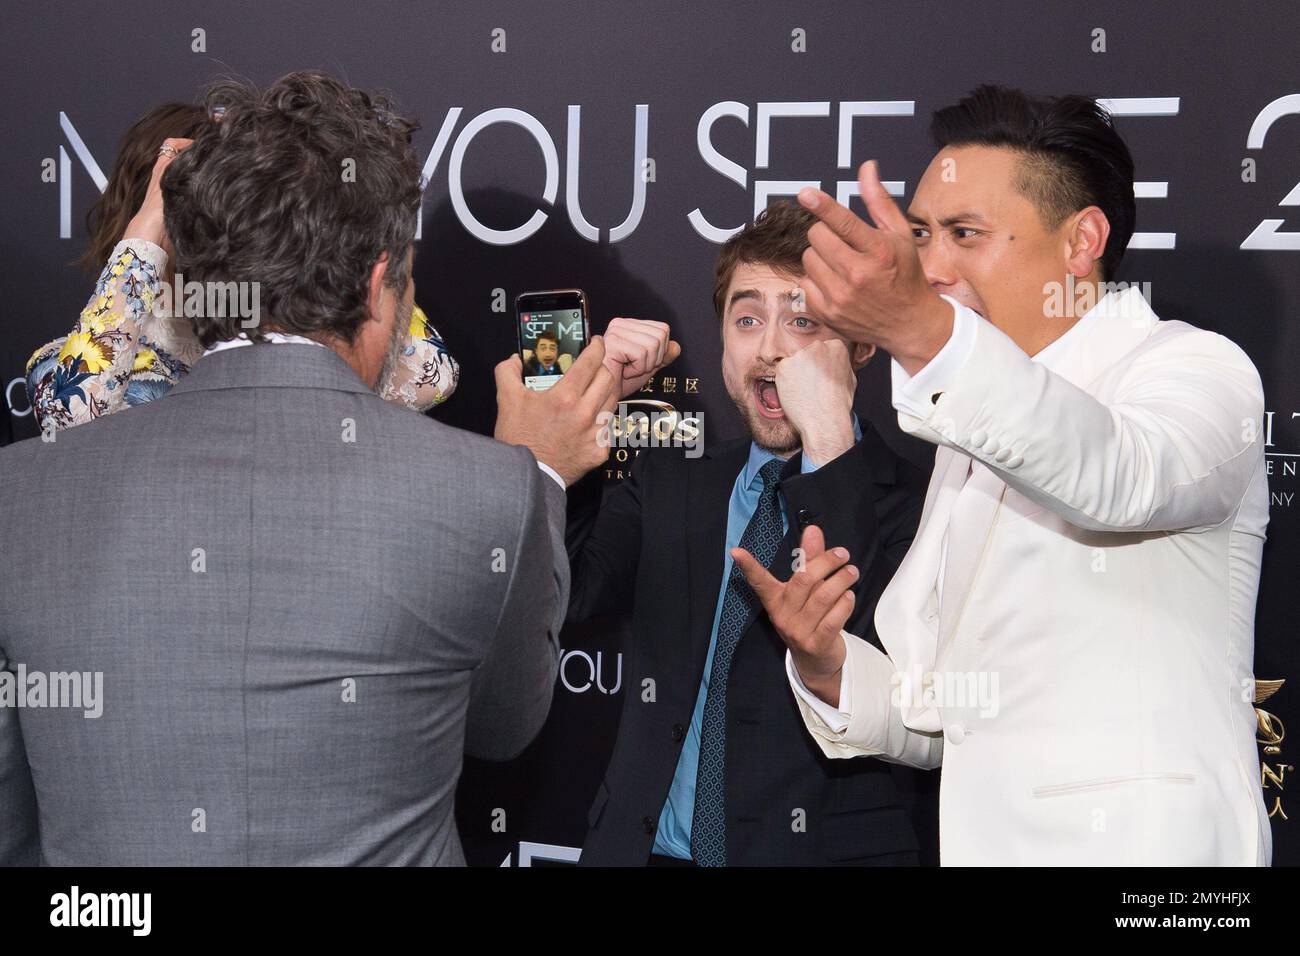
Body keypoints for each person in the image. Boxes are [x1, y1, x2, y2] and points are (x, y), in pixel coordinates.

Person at [0, 70, 616, 866]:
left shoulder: (20, 496)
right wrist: (542, 477)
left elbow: (14, 824)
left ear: (182, 278)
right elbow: (506, 725)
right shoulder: (491, 487)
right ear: (376, 283)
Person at [737, 85, 1271, 865]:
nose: (932, 265)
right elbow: (948, 720)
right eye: (920, 233)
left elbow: (1116, 475)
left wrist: (925, 333)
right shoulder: (971, 428)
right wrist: (827, 665)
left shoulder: (1195, 369)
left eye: (964, 233)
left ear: (1081, 240)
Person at [570, 201, 933, 866]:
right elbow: (569, 596)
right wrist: (591, 402)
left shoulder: (922, 502)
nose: (769, 348)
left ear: (860, 343)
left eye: (802, 320)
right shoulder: (671, 482)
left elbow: (879, 680)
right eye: (747, 319)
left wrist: (828, 433)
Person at [24, 102, 458, 432]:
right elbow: (72, 422)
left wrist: (341, 216)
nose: (218, 224)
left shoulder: (286, 337)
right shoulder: (64, 365)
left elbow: (430, 374)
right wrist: (147, 228)